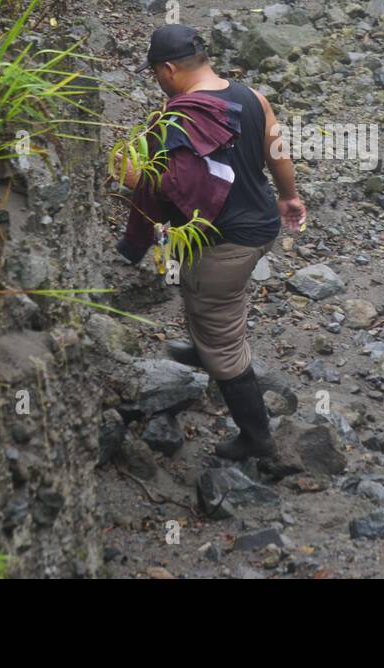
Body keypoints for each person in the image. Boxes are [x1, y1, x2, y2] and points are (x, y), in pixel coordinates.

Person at [114, 24, 306, 460]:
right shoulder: (251, 97)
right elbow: (277, 151)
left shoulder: (179, 118)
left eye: (155, 75)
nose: (158, 83)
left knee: (220, 332)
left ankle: (259, 442)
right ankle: (205, 346)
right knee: (208, 302)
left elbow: (181, 188)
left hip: (224, 242)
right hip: (259, 226)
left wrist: (133, 179)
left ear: (168, 69)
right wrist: (289, 197)